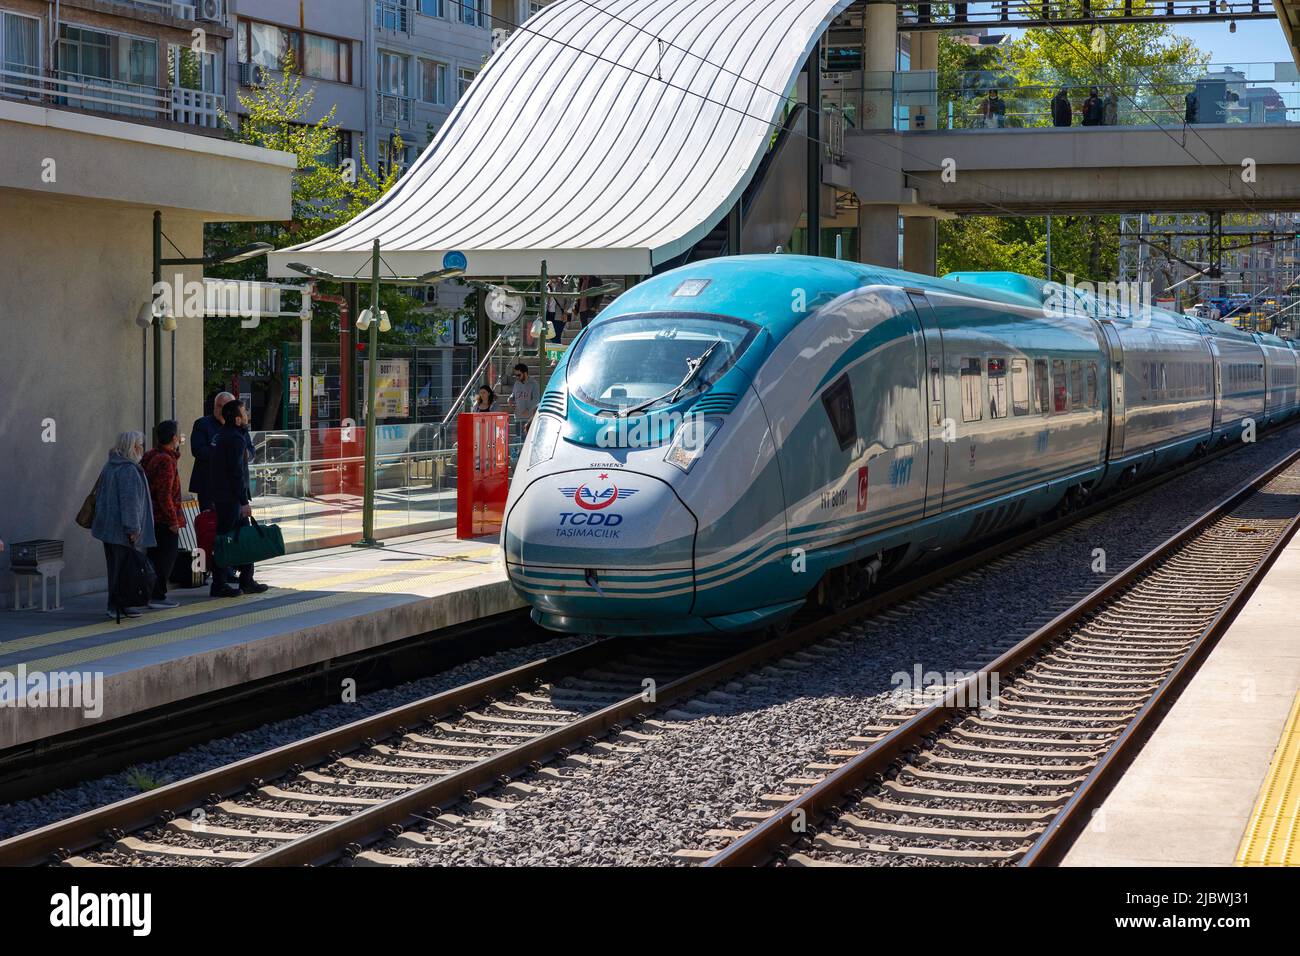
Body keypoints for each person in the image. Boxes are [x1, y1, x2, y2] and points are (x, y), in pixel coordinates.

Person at [91, 431, 156, 619]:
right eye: (140, 445)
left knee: (115, 568)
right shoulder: (128, 470)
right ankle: (120, 605)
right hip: (121, 530)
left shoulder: (110, 466)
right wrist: (133, 529)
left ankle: (117, 604)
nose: (142, 449)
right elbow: (130, 503)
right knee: (124, 569)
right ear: (132, 447)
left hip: (107, 528)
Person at [208, 401, 267, 598]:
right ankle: (220, 583)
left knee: (239, 536)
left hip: (225, 496)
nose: (247, 414)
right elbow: (236, 472)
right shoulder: (234, 439)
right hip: (231, 498)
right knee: (227, 539)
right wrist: (243, 501)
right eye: (244, 412)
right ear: (237, 419)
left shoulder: (225, 435)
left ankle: (246, 579)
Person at [141, 420, 184, 609]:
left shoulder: (150, 455)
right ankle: (158, 594)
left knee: (154, 555)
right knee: (166, 557)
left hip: (150, 516)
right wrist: (172, 520)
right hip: (163, 518)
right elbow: (164, 493)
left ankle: (150, 592)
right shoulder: (166, 461)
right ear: (173, 438)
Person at [191, 391, 234, 510]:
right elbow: (198, 451)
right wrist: (224, 452)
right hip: (209, 487)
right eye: (219, 406)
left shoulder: (238, 425)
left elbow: (250, 450)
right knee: (211, 525)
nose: (222, 410)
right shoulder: (202, 424)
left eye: (226, 407)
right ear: (214, 406)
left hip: (234, 487)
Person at [510, 363, 538, 427]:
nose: (517, 377)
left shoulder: (534, 384)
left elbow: (536, 400)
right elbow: (513, 394)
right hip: (518, 418)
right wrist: (510, 398)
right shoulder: (517, 383)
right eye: (515, 375)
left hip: (529, 419)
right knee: (518, 436)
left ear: (525, 373)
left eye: (519, 375)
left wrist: (528, 409)